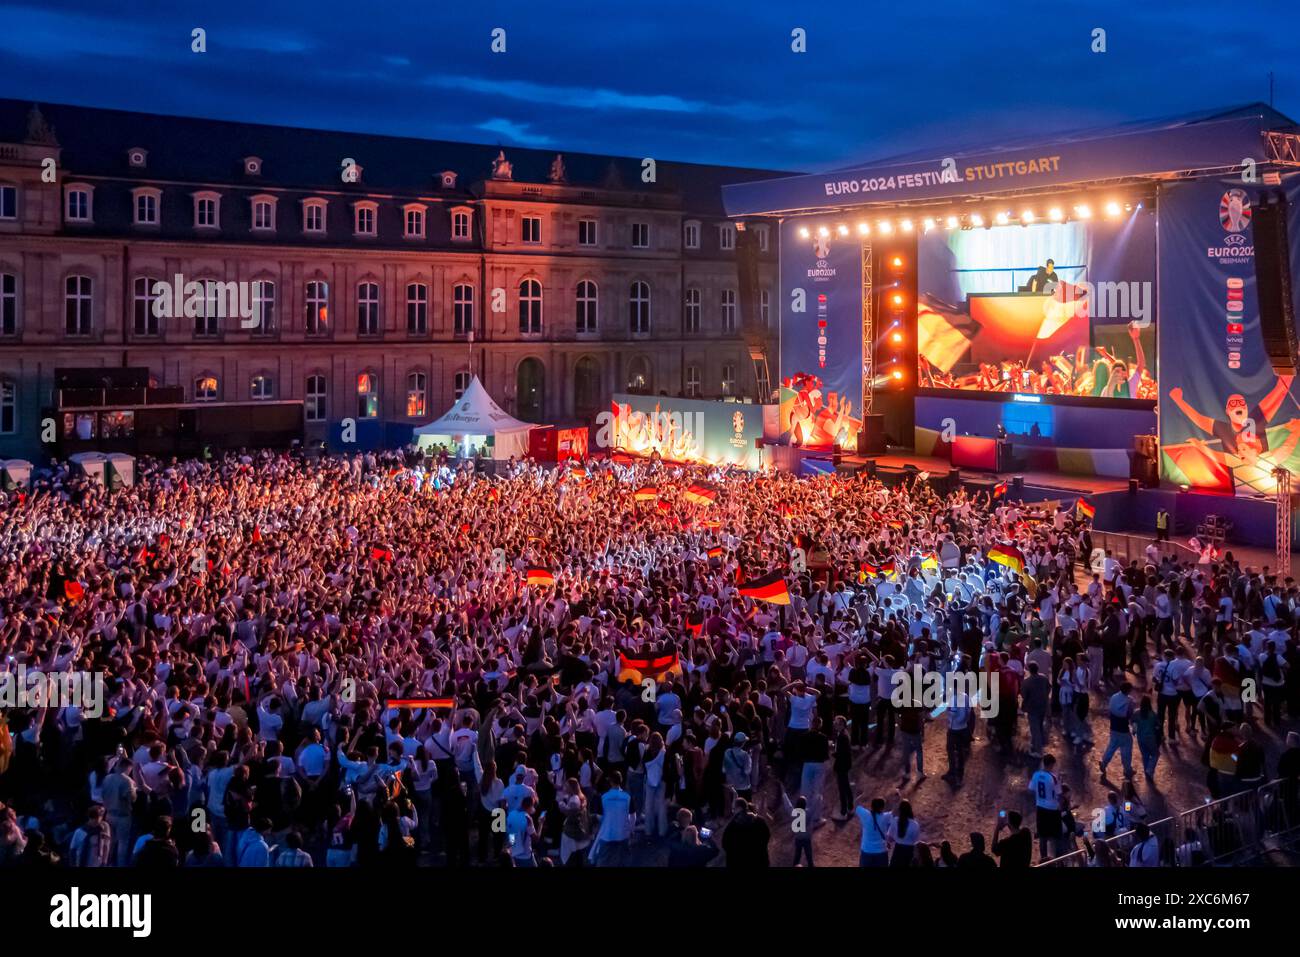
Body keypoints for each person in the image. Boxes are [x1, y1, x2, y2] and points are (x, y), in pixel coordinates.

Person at [1028, 753, 1063, 862]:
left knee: (1042, 835)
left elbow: (1031, 789)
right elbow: (1060, 794)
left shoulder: (1036, 775)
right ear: (1051, 764)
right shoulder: (1053, 777)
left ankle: (1043, 859)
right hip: (1052, 809)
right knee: (1054, 836)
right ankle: (1055, 859)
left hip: (1040, 808)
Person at [1100, 681, 1136, 779]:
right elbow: (1130, 716)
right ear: (1128, 690)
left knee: (1111, 746)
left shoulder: (1114, 697)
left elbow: (1110, 710)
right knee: (1126, 750)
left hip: (1113, 727)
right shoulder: (1130, 701)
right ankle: (1127, 769)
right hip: (1123, 729)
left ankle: (1104, 762)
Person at [721, 798, 770, 868]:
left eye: (734, 808)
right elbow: (767, 836)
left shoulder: (732, 826)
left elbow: (725, 844)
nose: (733, 811)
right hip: (760, 861)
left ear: (739, 808)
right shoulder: (760, 820)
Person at [855, 794, 894, 867]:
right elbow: (896, 811)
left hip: (867, 851)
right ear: (882, 807)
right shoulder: (886, 817)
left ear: (871, 806)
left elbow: (855, 804)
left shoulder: (865, 815)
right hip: (881, 852)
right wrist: (897, 798)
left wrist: (861, 795)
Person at [887, 800, 920, 868]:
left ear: (900, 810)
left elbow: (889, 838)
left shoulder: (895, 820)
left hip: (898, 851)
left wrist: (896, 838)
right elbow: (916, 841)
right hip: (909, 852)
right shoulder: (915, 824)